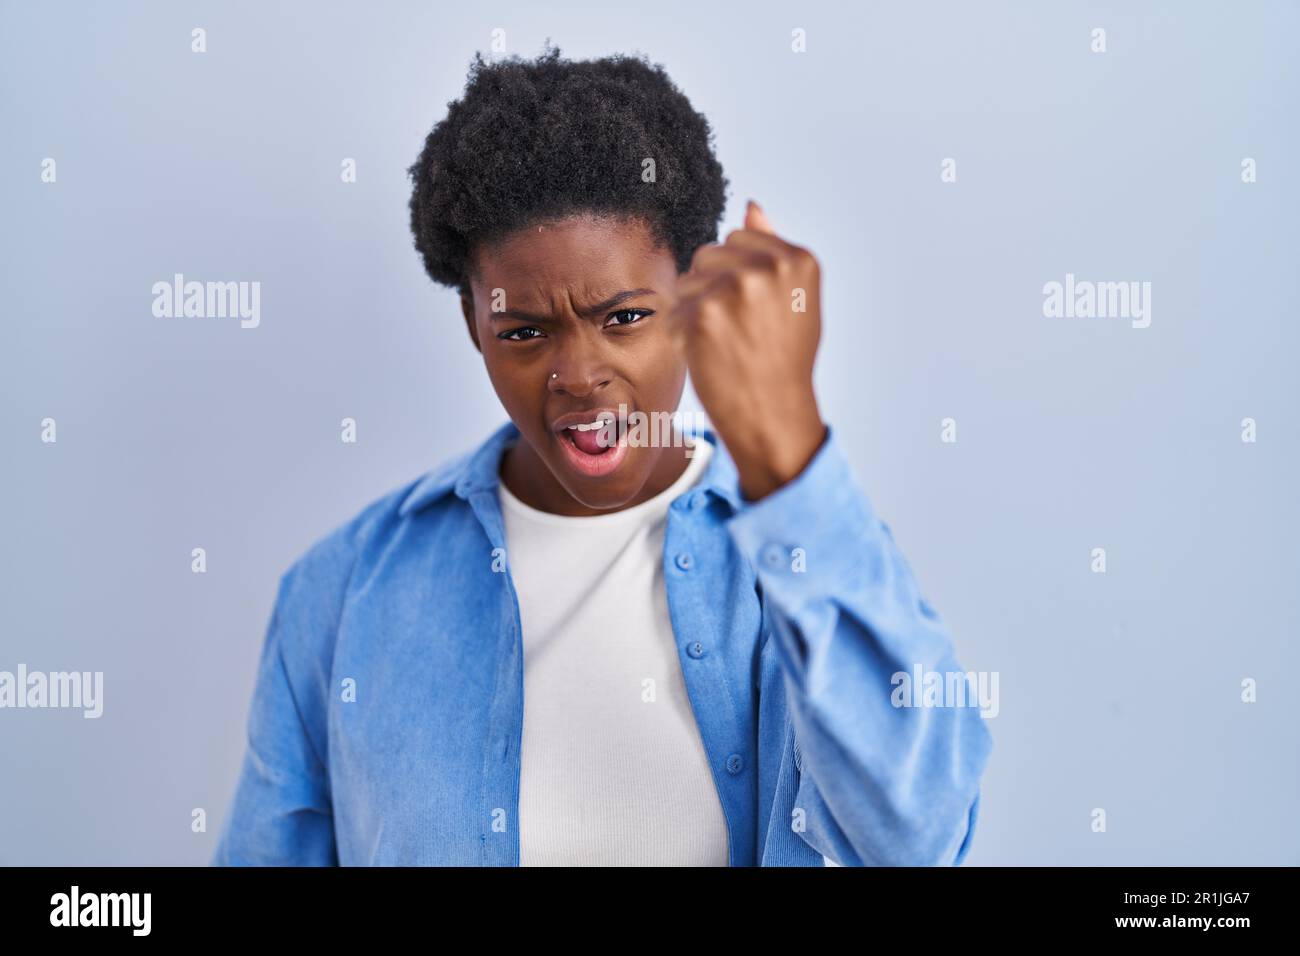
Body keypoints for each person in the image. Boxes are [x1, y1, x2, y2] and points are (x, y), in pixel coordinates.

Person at [211, 44, 992, 866]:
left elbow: (918, 836)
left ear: (691, 296)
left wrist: (789, 450)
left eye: (624, 318)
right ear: (474, 327)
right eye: (523, 332)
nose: (579, 377)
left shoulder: (802, 558)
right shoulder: (340, 594)